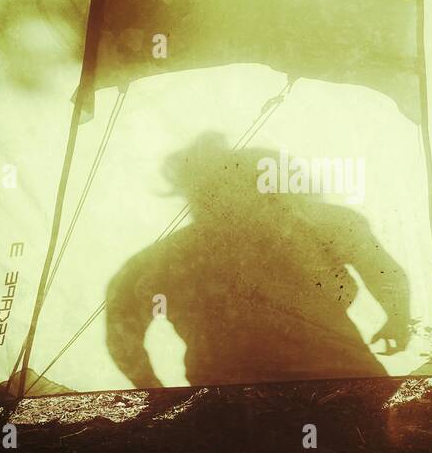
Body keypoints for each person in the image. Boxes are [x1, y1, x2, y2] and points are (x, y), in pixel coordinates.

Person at [106, 133, 411, 388]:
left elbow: (121, 325)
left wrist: (154, 392)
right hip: (343, 380)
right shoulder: (319, 223)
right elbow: (383, 271)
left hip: (231, 401)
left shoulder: (162, 257)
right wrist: (397, 319)